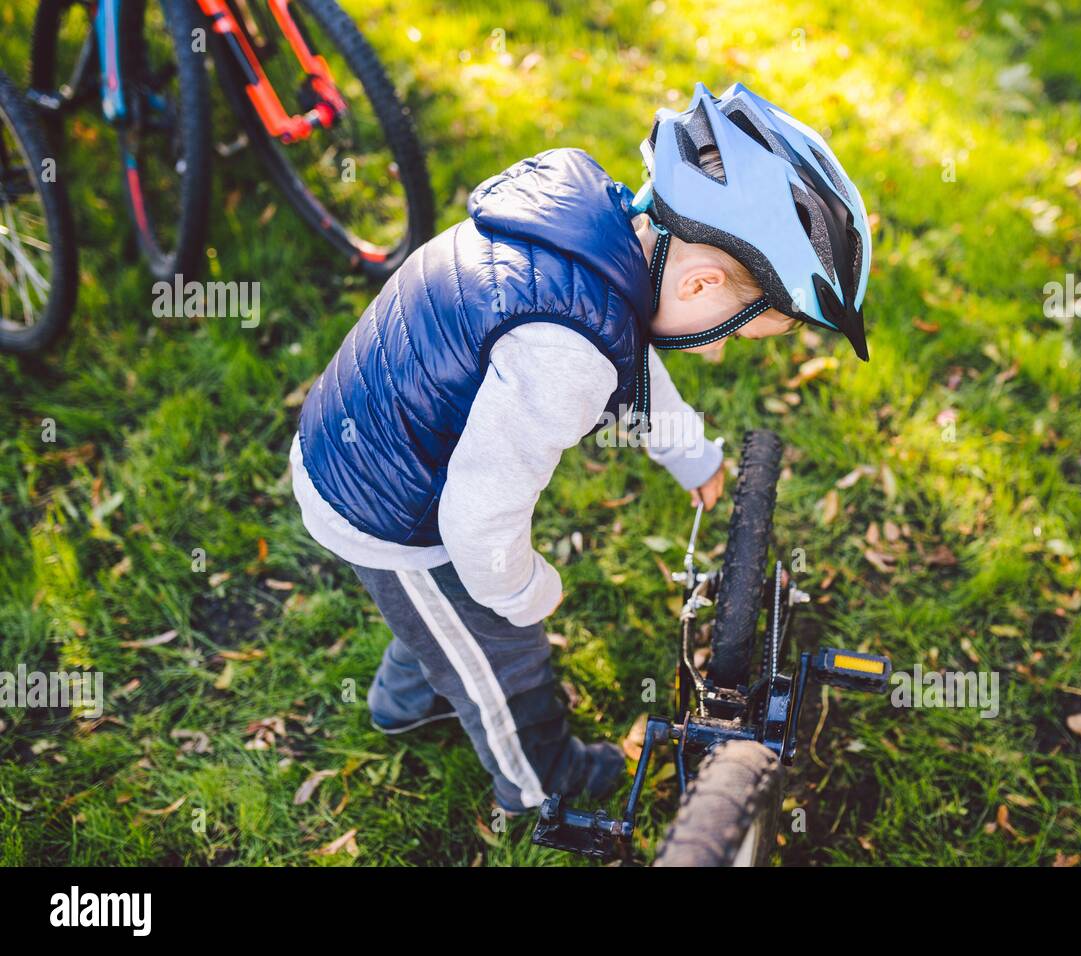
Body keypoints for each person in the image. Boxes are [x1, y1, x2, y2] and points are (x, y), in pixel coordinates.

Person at [289, 82, 872, 813]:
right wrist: (524, 594)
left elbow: (629, 357)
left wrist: (690, 452)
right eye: (732, 330)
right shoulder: (564, 355)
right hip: (388, 505)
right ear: (698, 280)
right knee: (504, 652)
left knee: (446, 626)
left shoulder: (595, 236)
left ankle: (407, 701)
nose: (719, 351)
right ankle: (543, 788)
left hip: (370, 437)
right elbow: (477, 521)